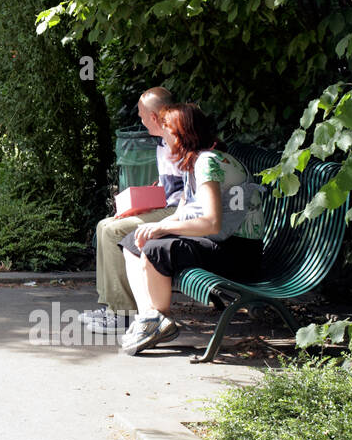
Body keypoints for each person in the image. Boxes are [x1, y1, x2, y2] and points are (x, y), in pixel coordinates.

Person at [119, 102, 265, 355]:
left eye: (167, 132)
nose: (163, 137)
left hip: (238, 252)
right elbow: (184, 212)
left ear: (181, 135)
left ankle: (156, 321)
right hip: (222, 243)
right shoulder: (196, 160)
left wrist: (163, 231)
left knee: (157, 249)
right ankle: (152, 318)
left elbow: (211, 222)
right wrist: (159, 226)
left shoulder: (207, 163)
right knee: (133, 241)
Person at [79, 87, 187, 335]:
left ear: (155, 117)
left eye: (141, 115)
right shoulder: (163, 140)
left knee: (113, 231)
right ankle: (110, 306)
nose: (139, 119)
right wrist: (144, 199)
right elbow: (169, 183)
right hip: (166, 206)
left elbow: (187, 194)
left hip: (176, 212)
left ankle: (123, 313)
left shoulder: (178, 141)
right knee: (104, 225)